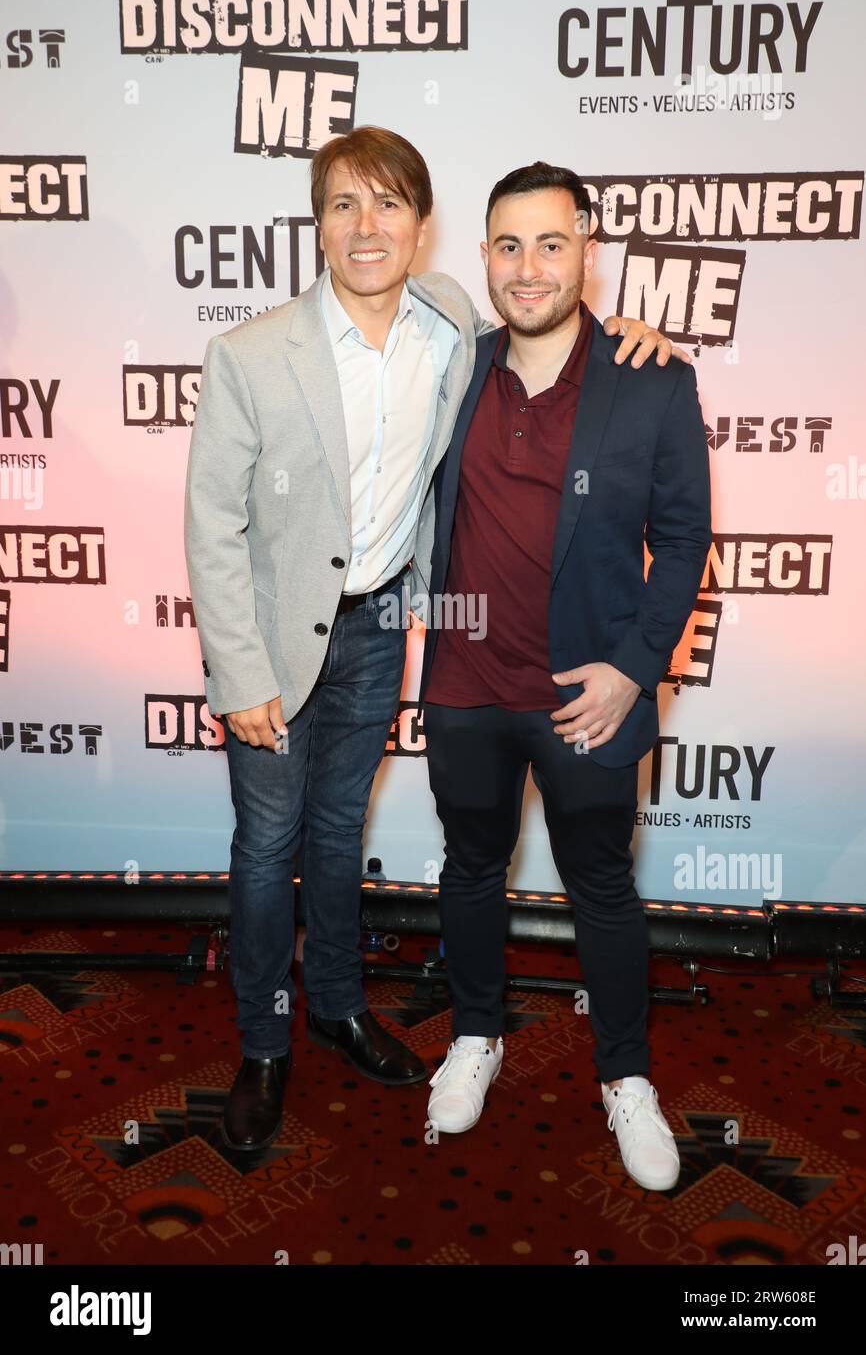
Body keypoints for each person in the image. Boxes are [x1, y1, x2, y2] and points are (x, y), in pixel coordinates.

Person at [183, 128, 686, 1152]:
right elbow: (210, 525)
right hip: (281, 648)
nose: (366, 229)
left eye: (388, 207)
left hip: (383, 634)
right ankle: (266, 1042)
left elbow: (563, 335)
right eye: (342, 206)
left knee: (336, 837)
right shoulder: (252, 352)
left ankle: (337, 1005)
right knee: (267, 844)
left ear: (421, 225)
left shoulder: (450, 327)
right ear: (316, 223)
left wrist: (629, 331)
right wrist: (238, 670)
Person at [417, 161, 712, 1191]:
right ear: (484, 257)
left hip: (590, 694)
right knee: (469, 867)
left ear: (588, 247)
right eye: (506, 245)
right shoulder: (450, 368)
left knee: (599, 885)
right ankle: (475, 1038)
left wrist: (636, 672)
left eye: (550, 242)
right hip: (461, 684)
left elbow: (681, 540)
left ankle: (624, 1076)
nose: (527, 266)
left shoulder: (652, 377)